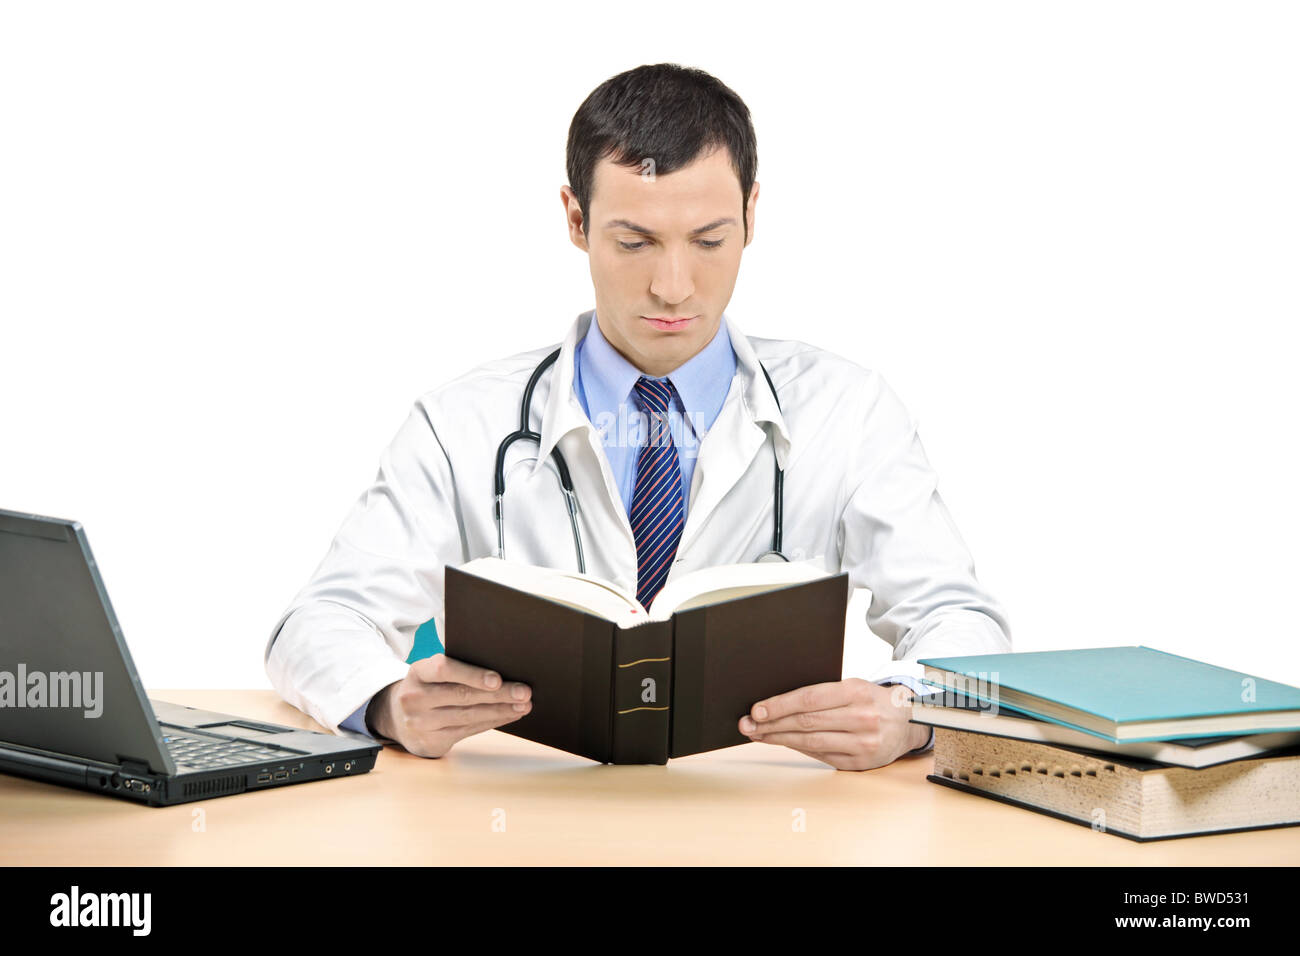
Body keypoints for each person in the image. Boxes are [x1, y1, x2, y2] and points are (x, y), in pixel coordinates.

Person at [264, 63, 1012, 771]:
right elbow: (318, 623)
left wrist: (913, 711)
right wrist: (389, 704)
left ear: (752, 215)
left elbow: (962, 622)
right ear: (576, 219)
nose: (673, 285)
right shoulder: (460, 423)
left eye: (710, 240)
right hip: (527, 814)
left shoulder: (850, 411)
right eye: (635, 241)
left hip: (762, 812)